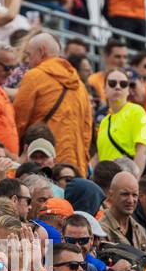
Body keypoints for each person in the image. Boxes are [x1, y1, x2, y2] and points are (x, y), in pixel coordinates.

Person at [12, 33, 93, 175]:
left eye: (29, 55)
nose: (28, 62)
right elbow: (87, 130)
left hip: (43, 163)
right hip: (75, 167)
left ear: (41, 52)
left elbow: (19, 121)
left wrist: (18, 155)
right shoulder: (80, 84)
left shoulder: (34, 76)